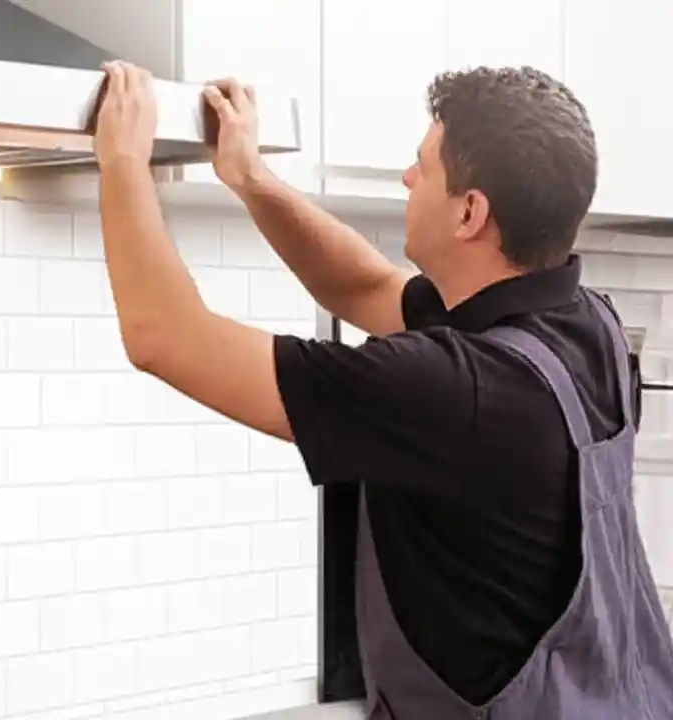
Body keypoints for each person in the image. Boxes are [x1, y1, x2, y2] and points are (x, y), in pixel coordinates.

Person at [90, 59, 673, 718]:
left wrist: (123, 163)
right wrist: (249, 177)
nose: (407, 177)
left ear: (470, 213)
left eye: (424, 165)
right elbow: (365, 287)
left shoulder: (457, 390)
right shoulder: (583, 323)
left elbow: (163, 335)